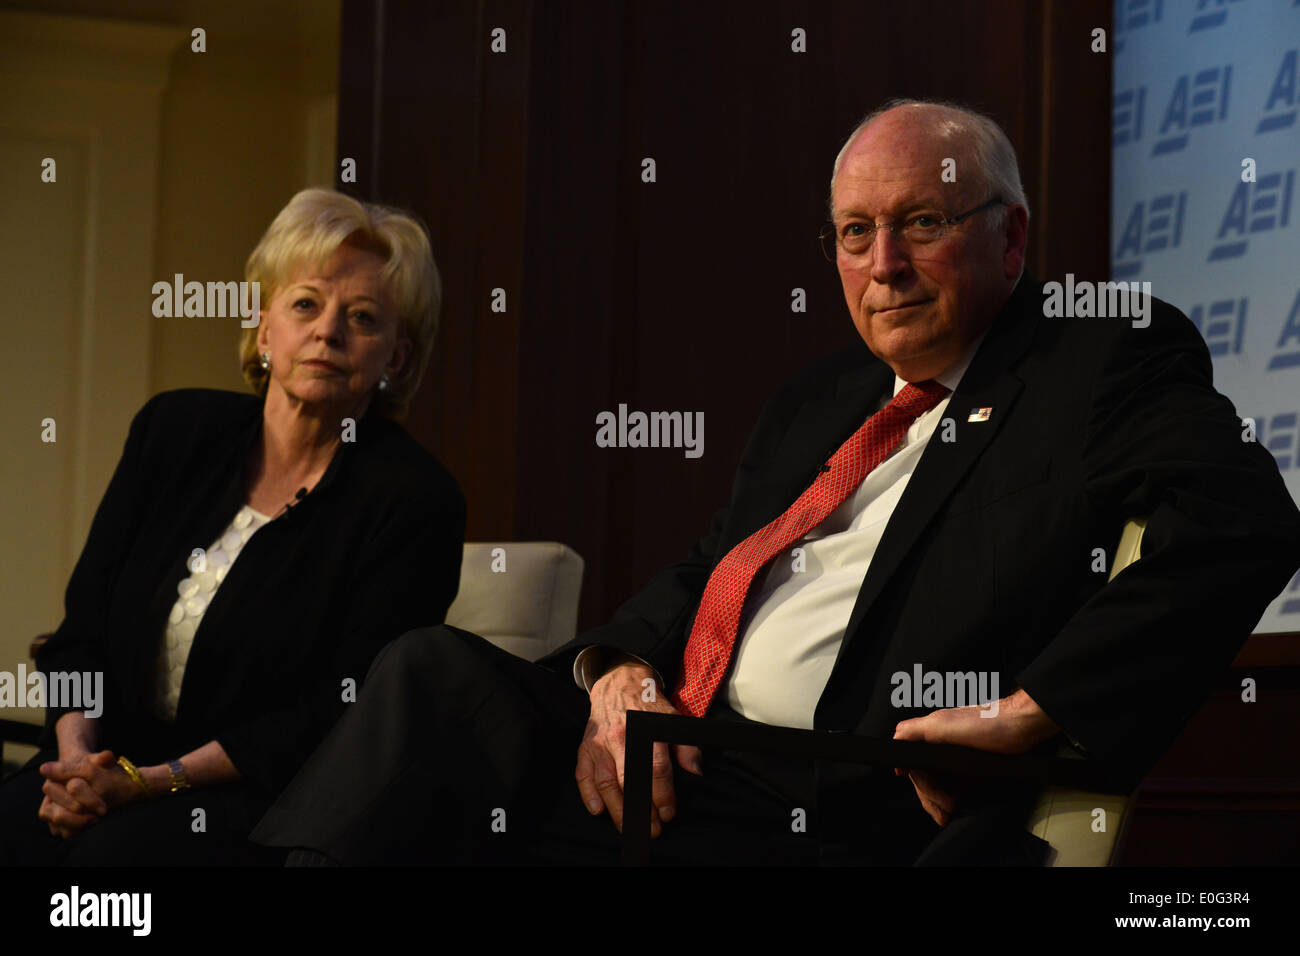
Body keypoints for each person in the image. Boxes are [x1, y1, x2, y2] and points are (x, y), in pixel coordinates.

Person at [251, 100, 1300, 866]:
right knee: (430, 671)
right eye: (855, 233)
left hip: (829, 793)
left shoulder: (1093, 358)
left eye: (922, 224)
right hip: (670, 750)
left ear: (1009, 236)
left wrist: (1034, 709)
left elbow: (1243, 523)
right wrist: (619, 673)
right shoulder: (818, 397)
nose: (882, 261)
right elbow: (715, 565)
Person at [0, 188, 466, 865]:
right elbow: (82, 636)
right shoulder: (172, 432)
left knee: (109, 874)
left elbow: (335, 714)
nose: (328, 333)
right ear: (264, 324)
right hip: (102, 763)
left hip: (257, 802)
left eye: (362, 318)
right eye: (305, 304)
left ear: (393, 358)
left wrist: (145, 785)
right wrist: (76, 765)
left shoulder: (414, 500)